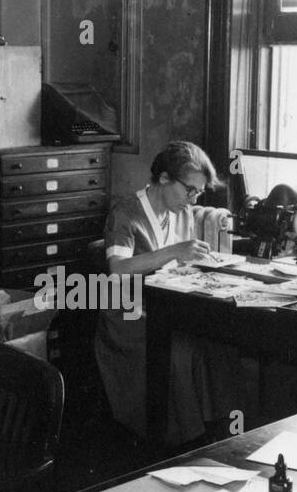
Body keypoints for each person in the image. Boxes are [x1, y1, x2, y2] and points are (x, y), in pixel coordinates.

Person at [94, 141, 240, 447]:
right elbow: (118, 270)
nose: (192, 199)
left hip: (166, 304)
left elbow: (174, 268)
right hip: (129, 313)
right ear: (163, 178)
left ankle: (216, 434)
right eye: (189, 190)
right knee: (179, 351)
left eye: (198, 193)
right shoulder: (125, 212)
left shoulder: (180, 212)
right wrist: (174, 251)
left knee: (217, 342)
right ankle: (175, 443)